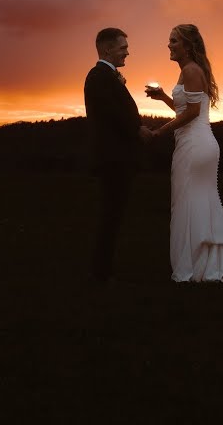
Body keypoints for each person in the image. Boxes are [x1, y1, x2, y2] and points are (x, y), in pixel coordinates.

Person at [144, 24, 223, 283]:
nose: (169, 45)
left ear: (188, 45)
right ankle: (202, 262)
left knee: (191, 199)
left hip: (196, 144)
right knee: (196, 199)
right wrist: (163, 99)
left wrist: (159, 132)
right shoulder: (188, 71)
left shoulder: (191, 71)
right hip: (196, 142)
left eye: (174, 41)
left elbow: (192, 115)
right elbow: (187, 110)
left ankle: (198, 265)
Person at [83, 27, 153, 283]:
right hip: (113, 159)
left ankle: (103, 268)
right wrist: (138, 129)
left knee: (113, 214)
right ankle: (100, 272)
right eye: (123, 47)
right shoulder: (98, 76)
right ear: (107, 49)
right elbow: (112, 113)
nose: (127, 52)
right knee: (110, 214)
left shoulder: (106, 76)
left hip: (116, 157)